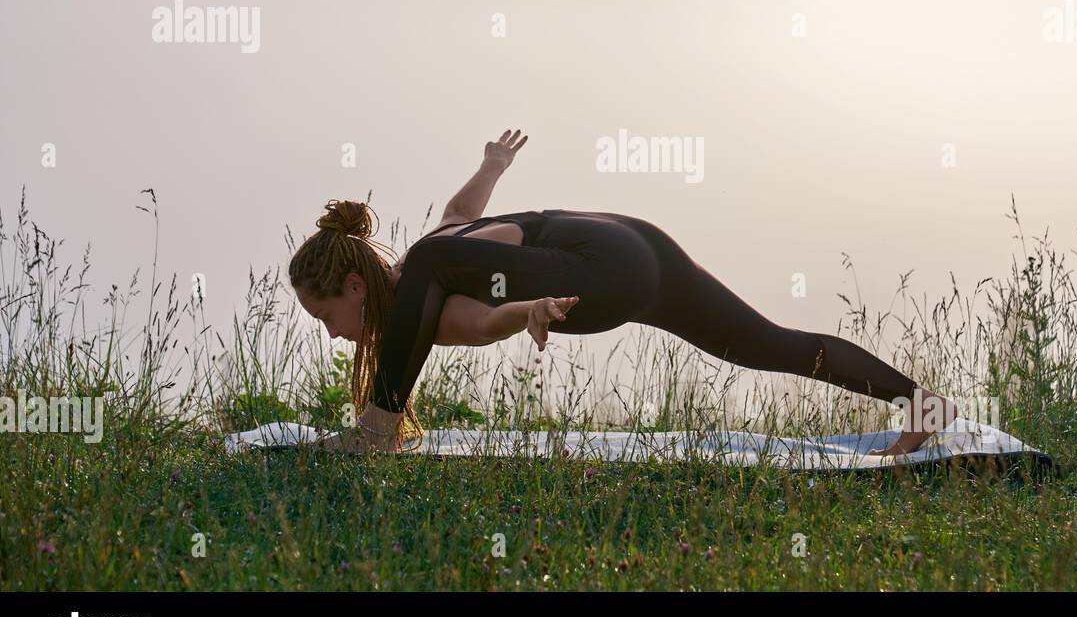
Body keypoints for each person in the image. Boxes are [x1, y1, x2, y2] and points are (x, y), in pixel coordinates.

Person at [289, 129, 958, 456]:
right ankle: (921, 401)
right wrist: (493, 166)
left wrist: (530, 302)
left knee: (435, 254)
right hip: (642, 253)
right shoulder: (434, 276)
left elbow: (476, 261)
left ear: (354, 284)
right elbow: (474, 259)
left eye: (326, 314)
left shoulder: (429, 273)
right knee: (767, 344)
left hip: (600, 269)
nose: (333, 332)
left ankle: (378, 429)